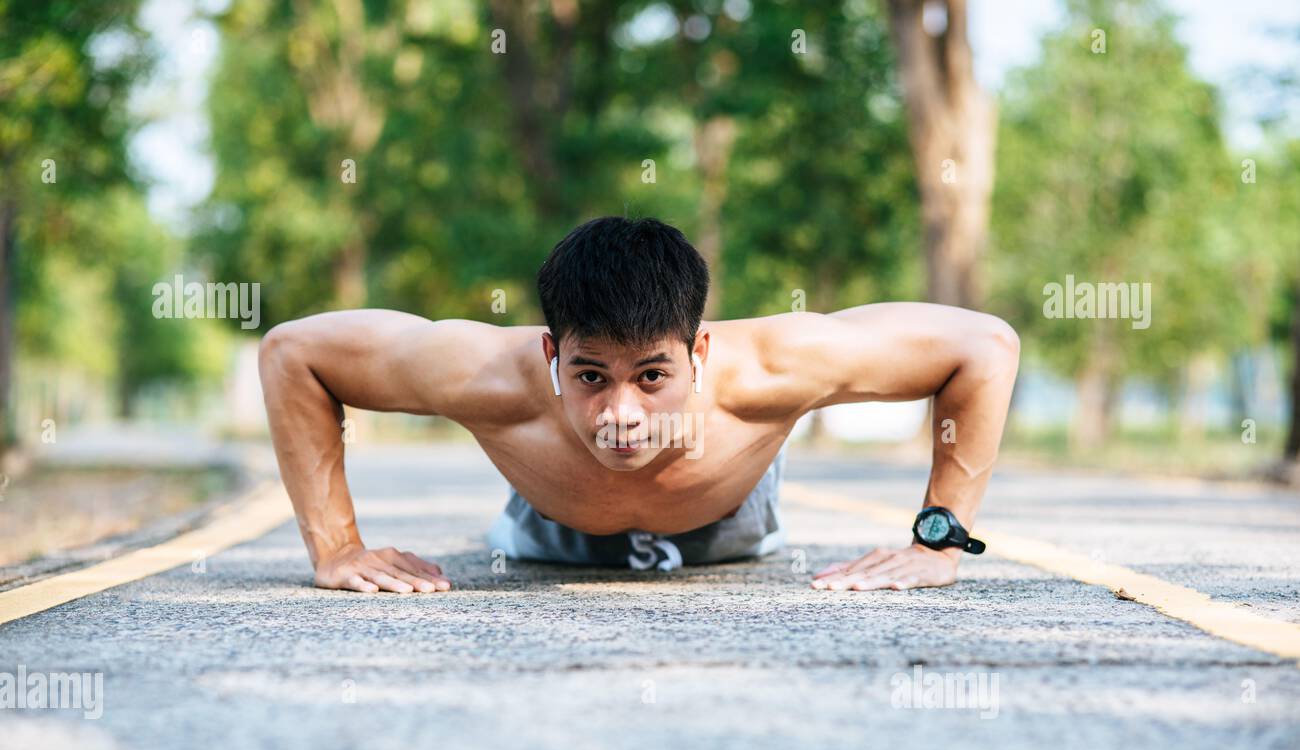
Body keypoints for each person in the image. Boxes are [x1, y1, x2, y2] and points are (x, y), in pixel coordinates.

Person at [259, 215, 1019, 594]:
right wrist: (337, 546)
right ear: (551, 356)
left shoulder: (778, 366)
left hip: (731, 523)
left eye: (653, 377)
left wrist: (936, 541)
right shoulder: (486, 372)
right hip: (547, 527)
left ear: (701, 355)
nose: (621, 413)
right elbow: (294, 353)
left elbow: (984, 346)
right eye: (591, 377)